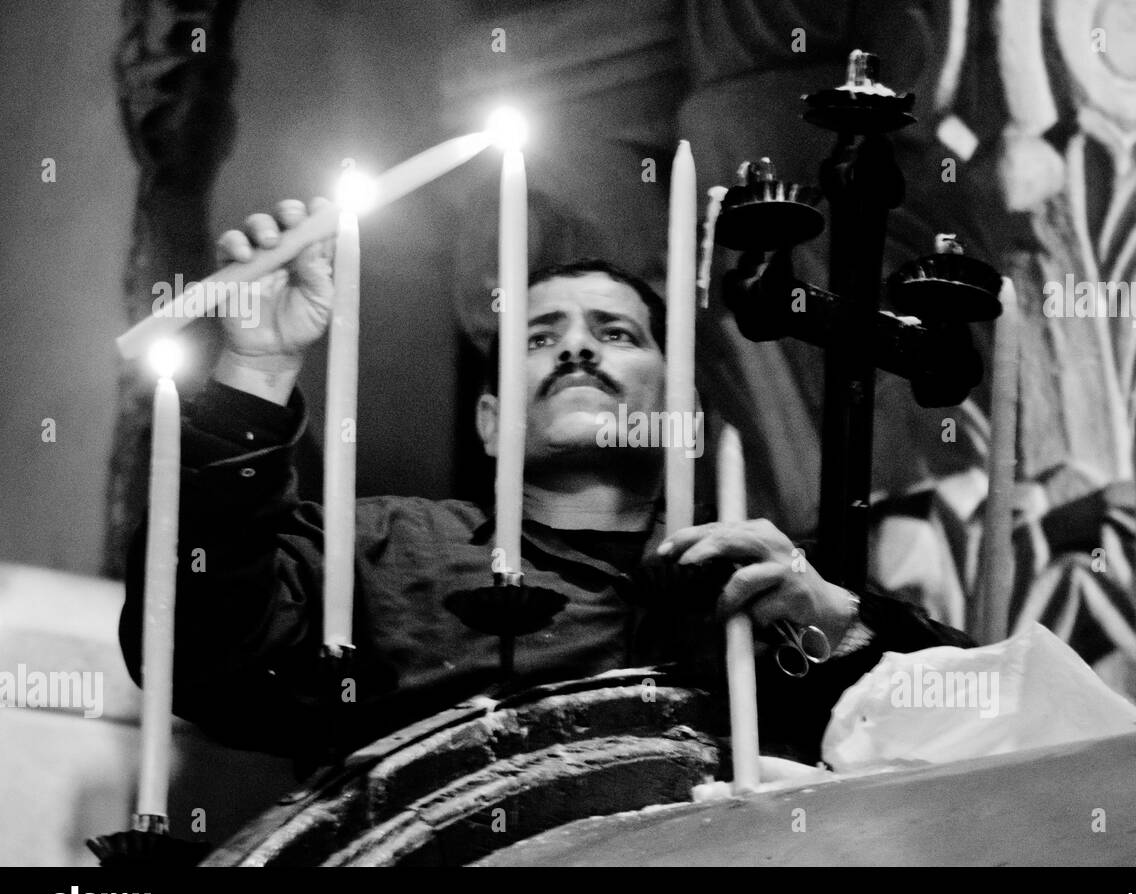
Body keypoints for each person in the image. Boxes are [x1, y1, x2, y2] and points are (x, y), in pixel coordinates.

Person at [119, 197, 970, 766]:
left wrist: (841, 628)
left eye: (616, 333)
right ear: (491, 422)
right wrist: (252, 374)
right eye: (538, 337)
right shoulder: (379, 550)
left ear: (684, 413)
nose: (576, 348)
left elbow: (985, 737)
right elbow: (195, 654)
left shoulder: (766, 581)